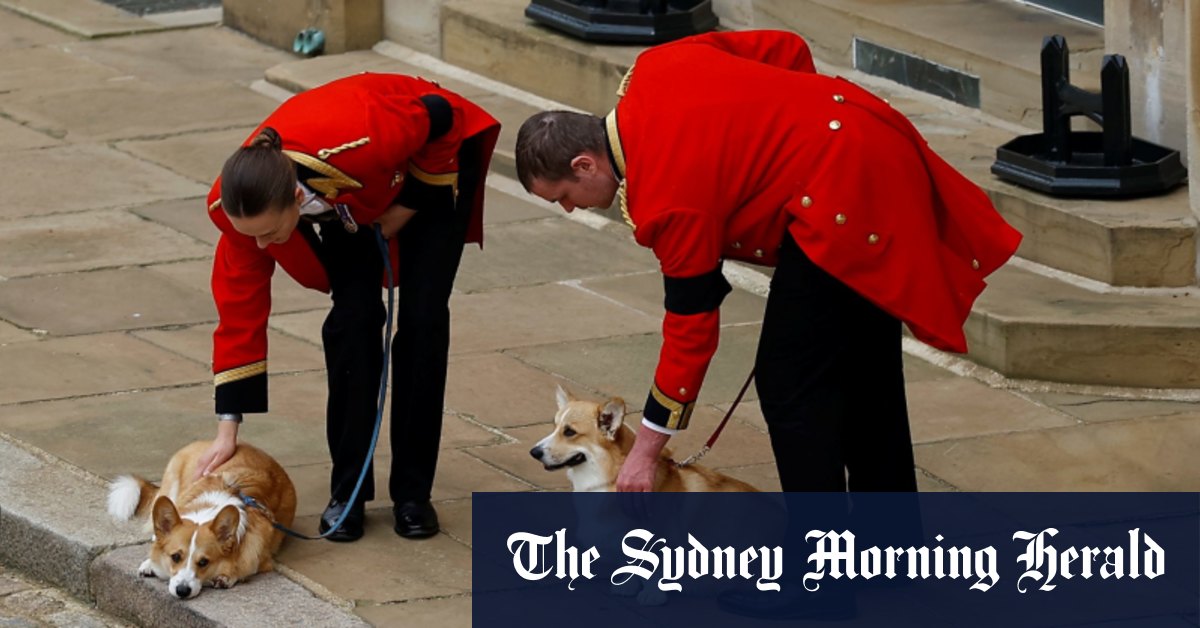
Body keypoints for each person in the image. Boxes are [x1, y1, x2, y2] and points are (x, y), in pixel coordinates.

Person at [515, 29, 1021, 616]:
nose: (573, 209)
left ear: (585, 162)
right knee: (865, 375)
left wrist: (646, 450)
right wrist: (795, 129)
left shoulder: (666, 198)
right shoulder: (653, 68)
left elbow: (691, 330)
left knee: (791, 390)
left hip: (840, 200)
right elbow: (784, 48)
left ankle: (823, 587)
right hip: (868, 141)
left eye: (566, 196)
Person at [200, 72, 500, 543]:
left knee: (423, 320)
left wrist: (409, 205)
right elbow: (238, 312)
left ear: (295, 198)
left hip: (428, 168)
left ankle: (413, 494)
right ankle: (349, 492)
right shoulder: (240, 206)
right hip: (351, 201)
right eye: (250, 233)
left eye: (267, 232)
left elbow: (444, 118)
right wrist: (227, 429)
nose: (257, 244)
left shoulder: (364, 135)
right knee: (352, 322)